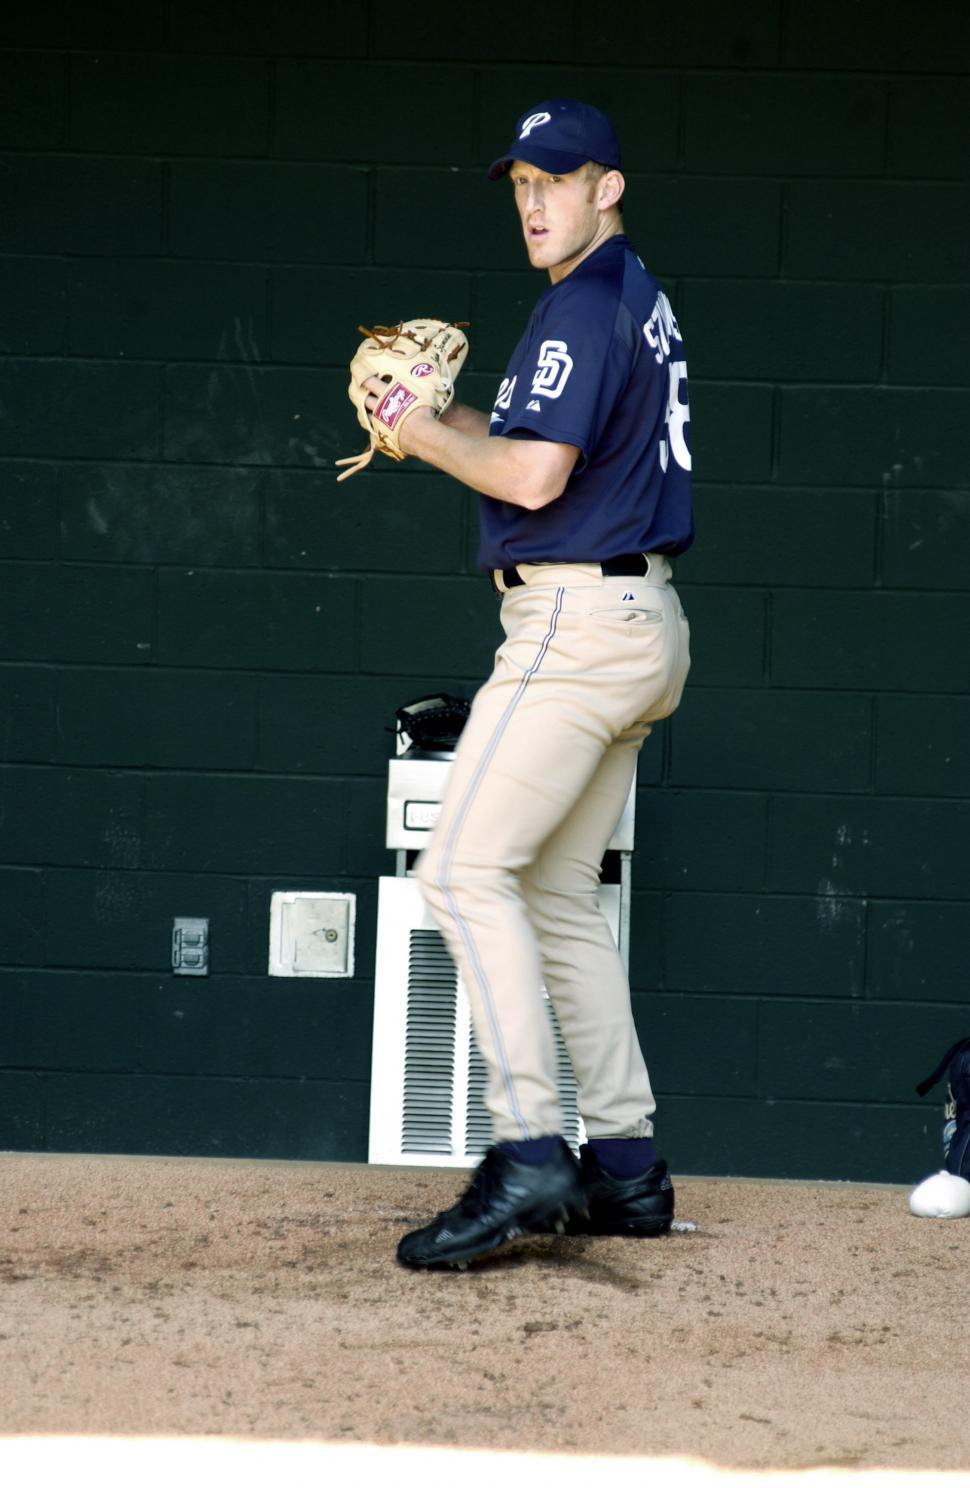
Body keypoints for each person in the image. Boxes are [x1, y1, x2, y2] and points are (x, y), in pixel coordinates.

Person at [365, 99, 694, 1269]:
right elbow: (528, 451)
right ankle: (627, 1168)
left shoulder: (580, 305)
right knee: (554, 895)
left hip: (576, 622)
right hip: (640, 619)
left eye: (559, 179)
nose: (537, 201)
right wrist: (445, 416)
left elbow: (532, 476)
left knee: (460, 871)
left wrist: (413, 429)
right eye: (521, 185)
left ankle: (528, 1152)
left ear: (609, 184)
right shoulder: (629, 297)